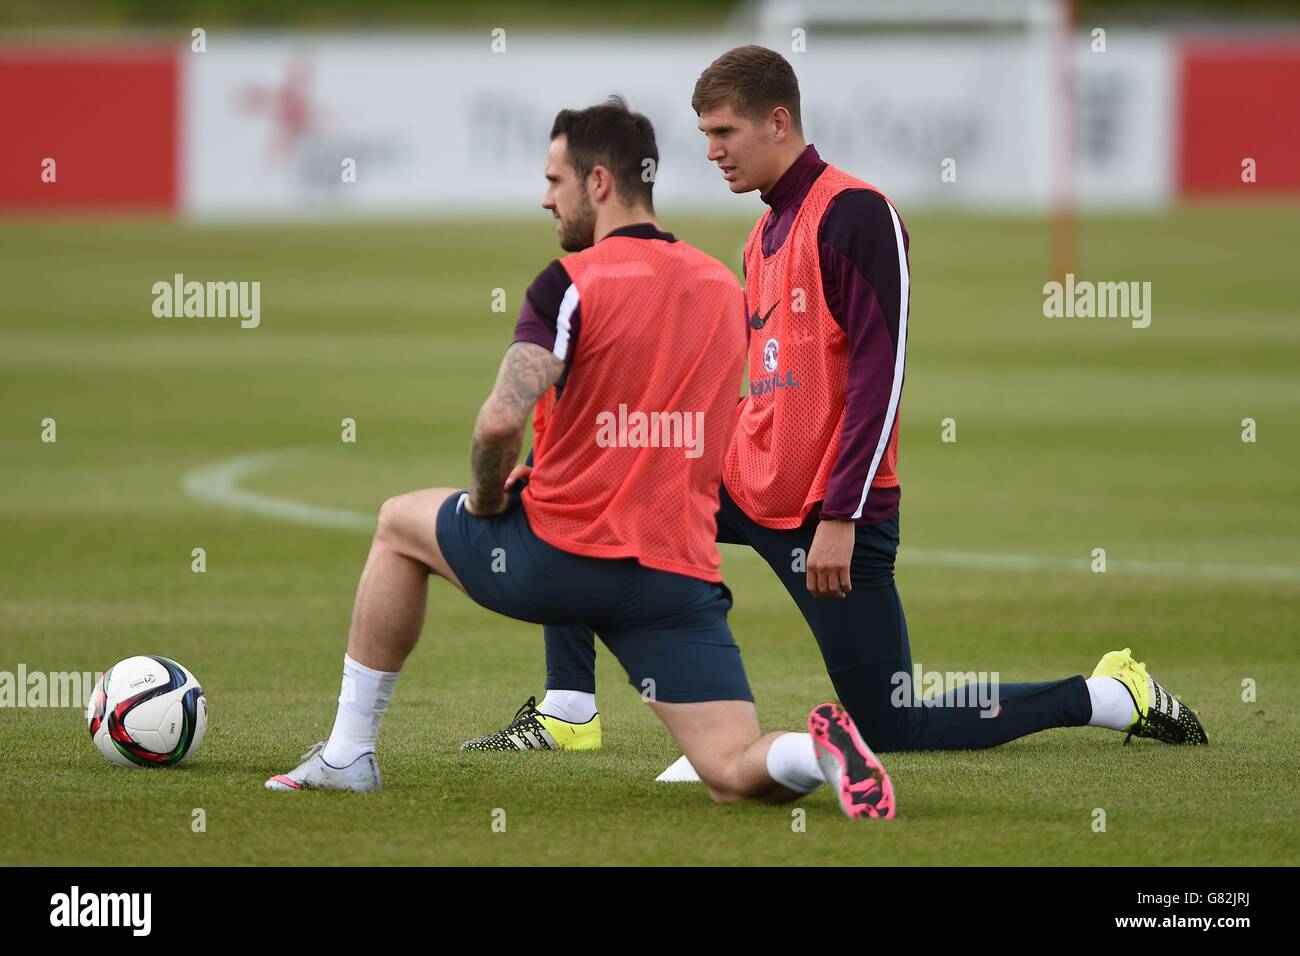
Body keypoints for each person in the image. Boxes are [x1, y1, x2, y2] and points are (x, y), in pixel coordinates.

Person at [462, 48, 1207, 764]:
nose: (713, 151)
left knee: (893, 720)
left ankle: (1107, 695)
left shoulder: (856, 212)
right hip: (747, 478)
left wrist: (842, 518)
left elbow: (880, 378)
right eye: (705, 136)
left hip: (830, 510)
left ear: (778, 122)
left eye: (725, 132)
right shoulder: (760, 235)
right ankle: (568, 712)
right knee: (574, 495)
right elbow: (764, 381)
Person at [264, 96, 896, 820]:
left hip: (555, 560)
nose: (545, 198)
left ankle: (347, 754)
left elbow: (500, 423)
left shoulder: (569, 284)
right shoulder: (724, 287)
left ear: (599, 183)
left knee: (397, 524)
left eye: (555, 181)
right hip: (672, 581)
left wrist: (487, 502)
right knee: (729, 766)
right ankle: (815, 752)